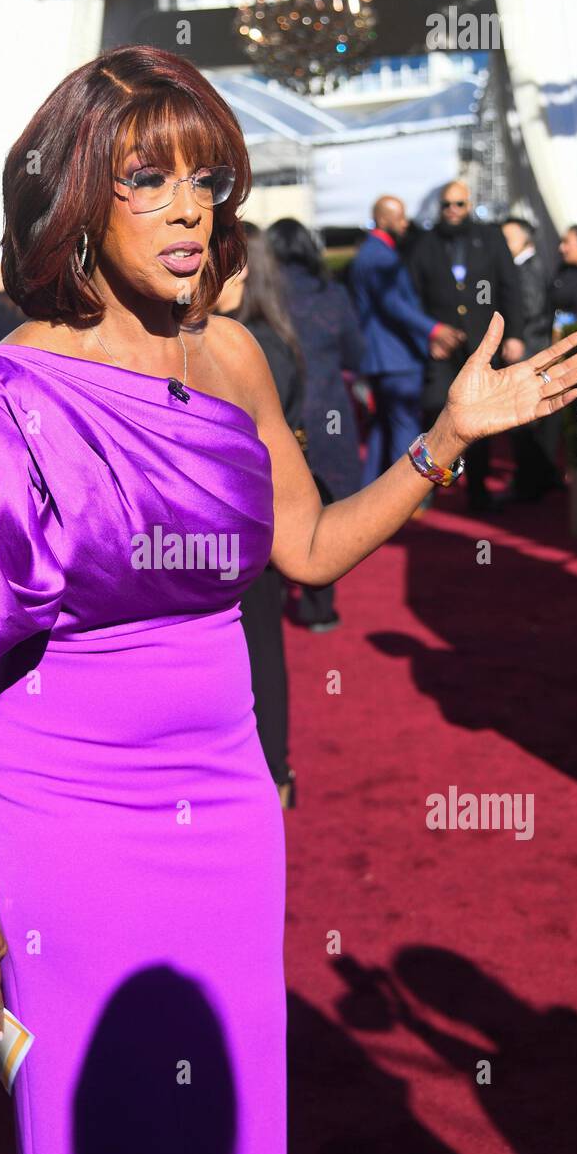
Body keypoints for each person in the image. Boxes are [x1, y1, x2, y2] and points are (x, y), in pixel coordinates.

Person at [0, 43, 577, 1154]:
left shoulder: (230, 352)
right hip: (60, 811)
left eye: (206, 182)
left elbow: (303, 549)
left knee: (228, 1109)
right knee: (100, 1126)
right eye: (146, 181)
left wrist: (447, 438)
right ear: (76, 196)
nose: (188, 213)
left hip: (225, 795)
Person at [215, 222, 306, 810]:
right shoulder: (267, 334)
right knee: (257, 648)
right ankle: (274, 770)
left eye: (219, 261)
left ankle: (272, 770)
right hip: (255, 516)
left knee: (260, 652)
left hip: (252, 521)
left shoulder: (248, 346)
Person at [267, 216, 363, 630]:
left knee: (274, 508)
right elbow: (356, 353)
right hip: (329, 413)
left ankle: (269, 603)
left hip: (277, 414)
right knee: (326, 510)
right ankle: (319, 604)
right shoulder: (333, 294)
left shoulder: (263, 298)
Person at [408, 180, 525, 513]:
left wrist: (514, 335)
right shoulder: (425, 243)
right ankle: (426, 487)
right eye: (446, 205)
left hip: (482, 346)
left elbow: (509, 287)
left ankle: (478, 491)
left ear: (469, 205)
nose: (452, 210)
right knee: (434, 412)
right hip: (442, 348)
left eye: (459, 204)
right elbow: (411, 296)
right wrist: (428, 335)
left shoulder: (489, 237)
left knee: (479, 419)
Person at [350, 195, 464, 486]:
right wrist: (433, 329)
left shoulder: (372, 252)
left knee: (383, 426)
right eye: (399, 217)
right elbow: (393, 304)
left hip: (384, 358)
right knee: (405, 427)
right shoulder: (379, 256)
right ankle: (409, 493)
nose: (405, 223)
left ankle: (368, 490)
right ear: (384, 219)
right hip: (395, 358)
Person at [501, 217, 563, 501]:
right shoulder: (525, 267)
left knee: (523, 422)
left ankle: (531, 482)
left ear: (525, 241)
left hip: (528, 351)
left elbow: (530, 308)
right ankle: (534, 479)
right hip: (528, 348)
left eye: (508, 238)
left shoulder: (529, 269)